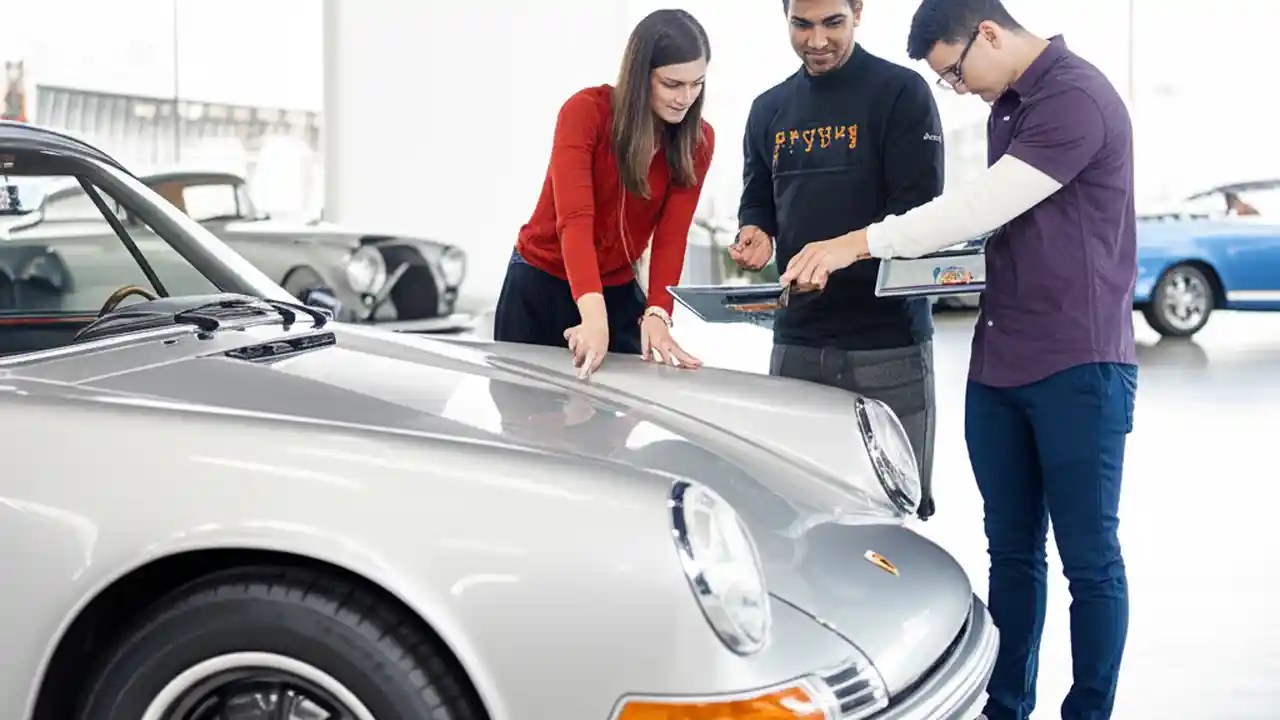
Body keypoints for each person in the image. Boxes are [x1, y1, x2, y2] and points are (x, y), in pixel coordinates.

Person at [779, 2, 1139, 718]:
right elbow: (1013, 230)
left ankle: (1089, 710)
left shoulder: (1076, 97)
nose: (958, 88)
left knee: (1089, 561)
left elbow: (982, 204)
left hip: (1079, 365)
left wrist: (859, 242)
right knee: (1010, 554)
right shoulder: (1010, 104)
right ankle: (1006, 706)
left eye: (954, 72)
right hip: (1000, 363)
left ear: (990, 33)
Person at [732, 0, 946, 519]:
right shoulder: (768, 109)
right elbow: (759, 196)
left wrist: (841, 253)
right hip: (797, 344)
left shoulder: (901, 94)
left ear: (858, 11)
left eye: (833, 23)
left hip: (886, 345)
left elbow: (916, 214)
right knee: (794, 512)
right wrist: (755, 232)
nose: (817, 40)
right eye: (801, 24)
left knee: (891, 515)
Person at [494, 9, 716, 380]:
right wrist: (593, 317)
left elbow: (671, 237)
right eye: (672, 84)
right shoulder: (584, 112)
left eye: (697, 84)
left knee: (609, 431)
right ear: (640, 75)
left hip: (616, 287)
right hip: (541, 281)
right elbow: (575, 221)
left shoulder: (698, 141)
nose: (686, 98)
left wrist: (659, 312)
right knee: (526, 421)